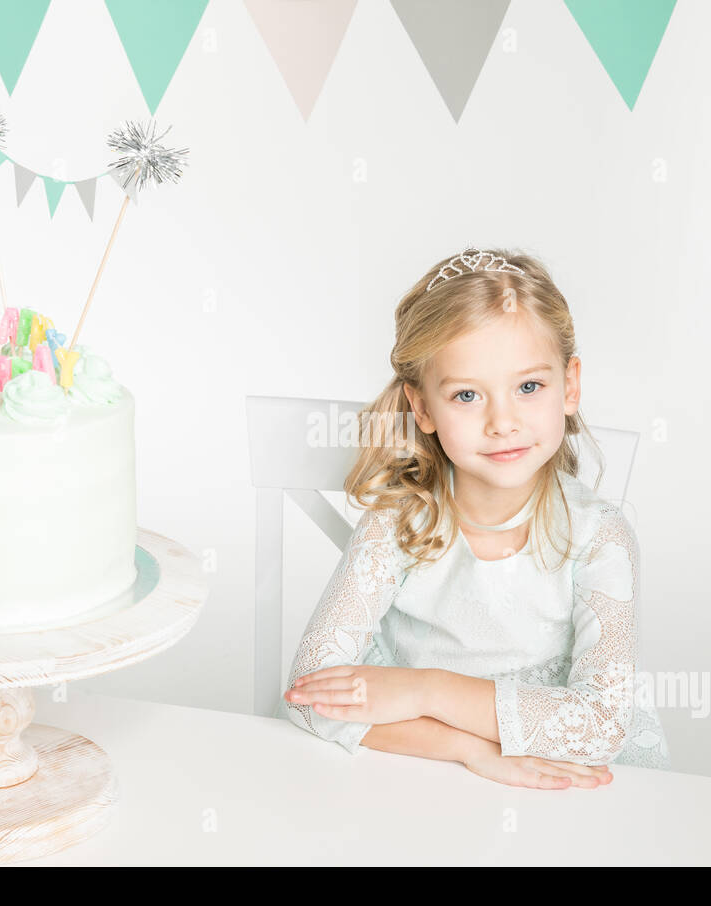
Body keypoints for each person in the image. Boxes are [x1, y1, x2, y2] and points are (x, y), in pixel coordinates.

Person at [280, 246, 670, 790]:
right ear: (422, 409)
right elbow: (308, 696)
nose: (502, 422)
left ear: (570, 386)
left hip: (561, 786)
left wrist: (425, 691)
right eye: (466, 395)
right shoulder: (397, 523)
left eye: (529, 387)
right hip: (409, 779)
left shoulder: (600, 536)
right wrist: (473, 750)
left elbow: (601, 727)